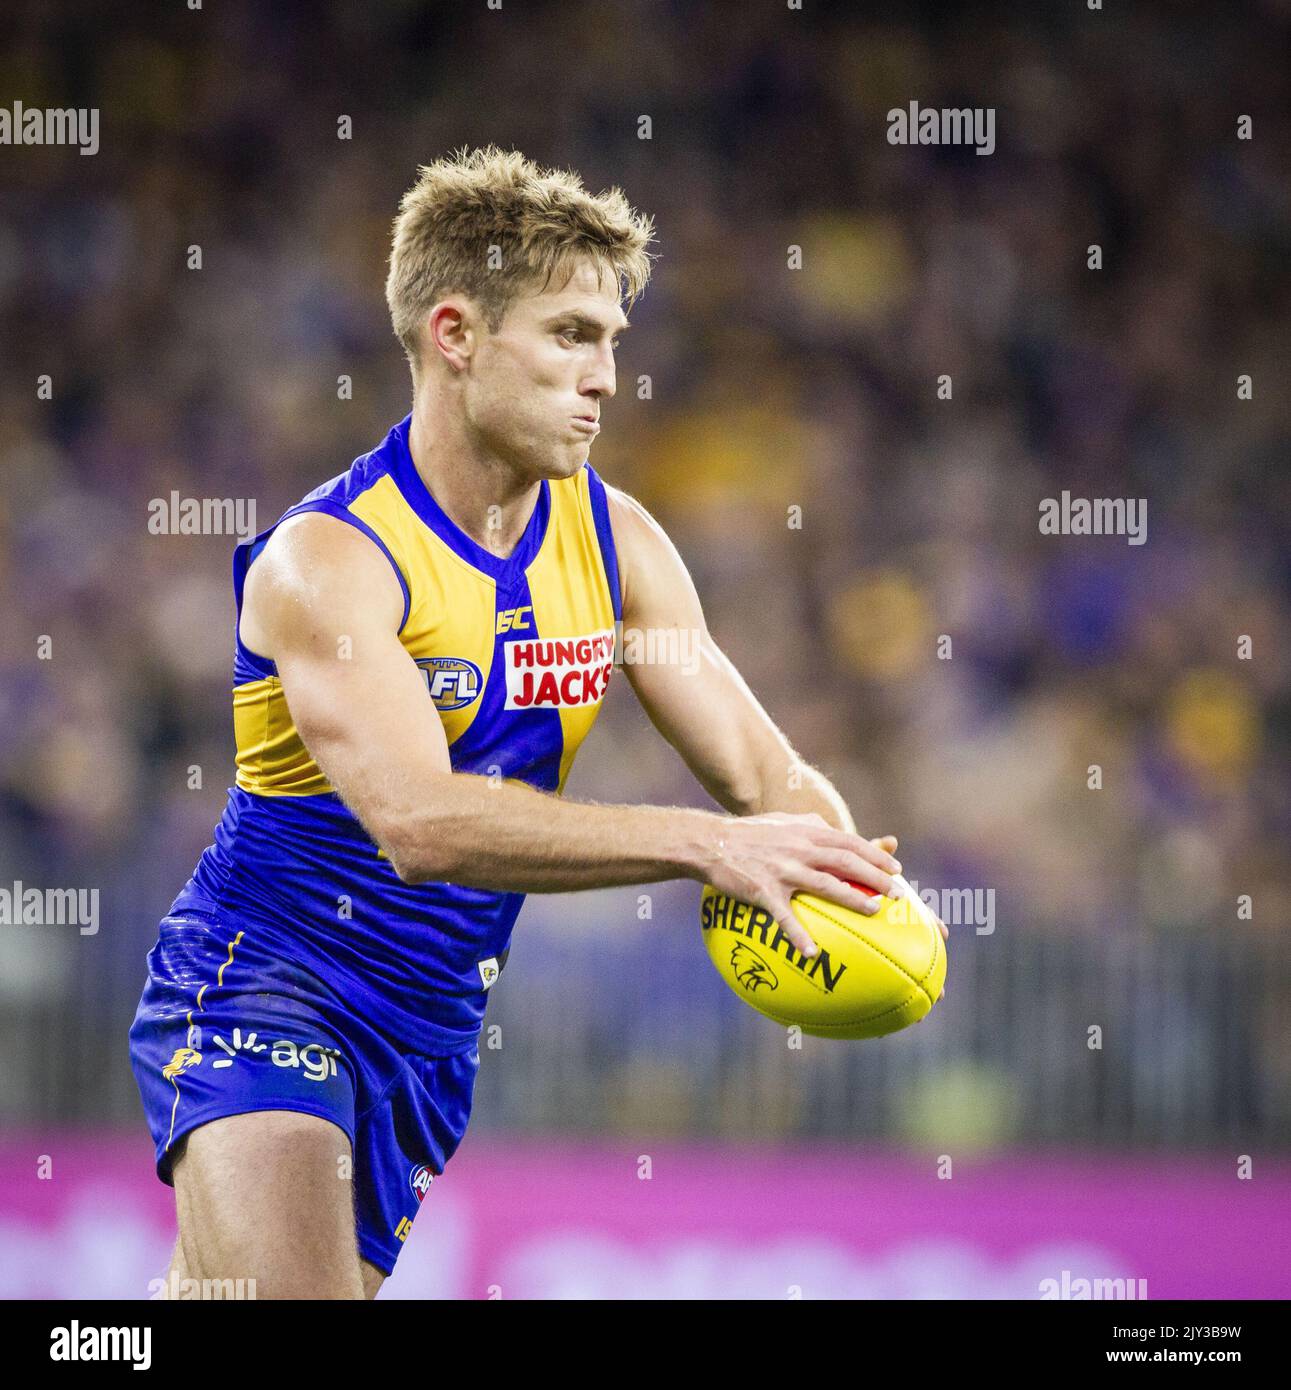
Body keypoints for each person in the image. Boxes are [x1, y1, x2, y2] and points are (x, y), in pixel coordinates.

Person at [129, 144, 933, 1299]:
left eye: (612, 340)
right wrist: (705, 844)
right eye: (569, 336)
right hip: (268, 978)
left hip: (430, 1028)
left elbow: (766, 774)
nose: (606, 375)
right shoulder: (330, 562)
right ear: (456, 334)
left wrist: (838, 875)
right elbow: (419, 822)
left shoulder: (618, 546)